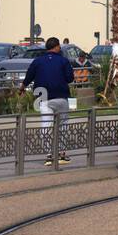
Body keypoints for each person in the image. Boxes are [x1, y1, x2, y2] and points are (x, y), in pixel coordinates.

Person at [23, 36, 75, 166]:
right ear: (57, 47)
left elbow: (29, 75)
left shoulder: (37, 61)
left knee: (46, 125)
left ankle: (48, 155)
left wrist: (22, 87)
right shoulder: (64, 61)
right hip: (61, 97)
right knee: (63, 125)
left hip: (44, 97)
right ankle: (62, 154)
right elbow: (70, 78)